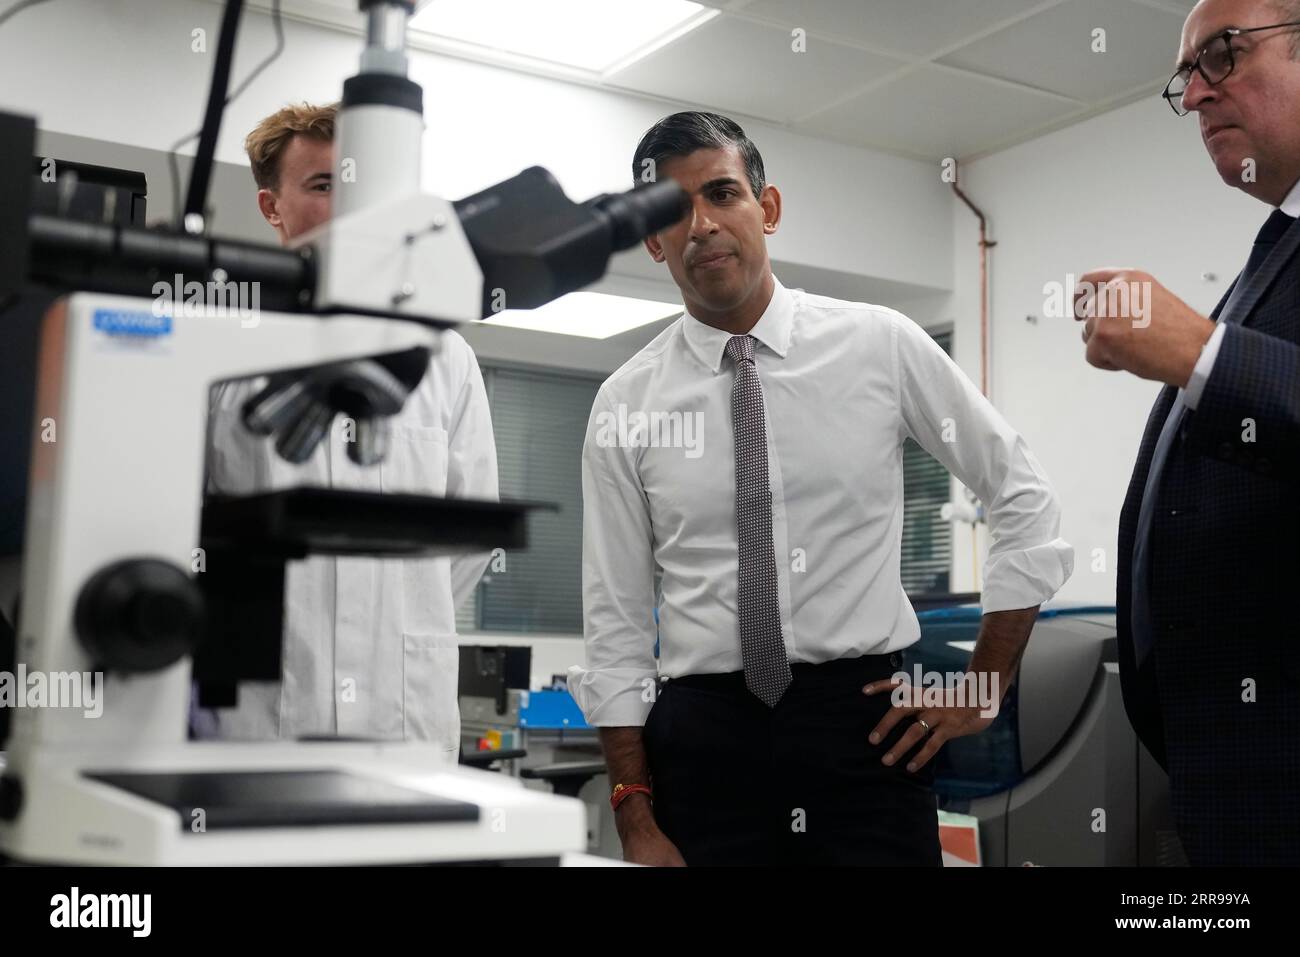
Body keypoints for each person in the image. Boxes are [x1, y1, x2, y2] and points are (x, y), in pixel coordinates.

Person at [571, 111, 1074, 866]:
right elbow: (612, 623)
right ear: (652, 240)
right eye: (674, 211)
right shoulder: (625, 401)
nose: (702, 225)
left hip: (864, 733)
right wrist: (635, 816)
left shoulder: (880, 343)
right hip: (703, 746)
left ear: (766, 208)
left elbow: (1023, 498)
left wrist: (984, 685)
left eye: (722, 193)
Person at [201, 103, 498, 757]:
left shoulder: (444, 357)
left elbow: (469, 536)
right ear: (271, 206)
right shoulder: (219, 348)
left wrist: (396, 616)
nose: (349, 208)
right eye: (322, 185)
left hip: (405, 715)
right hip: (259, 718)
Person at [1076, 0, 1300, 865]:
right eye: (1186, 78)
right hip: (1235, 774)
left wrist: (1200, 351)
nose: (1197, 95)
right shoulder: (1273, 250)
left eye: (1223, 55)